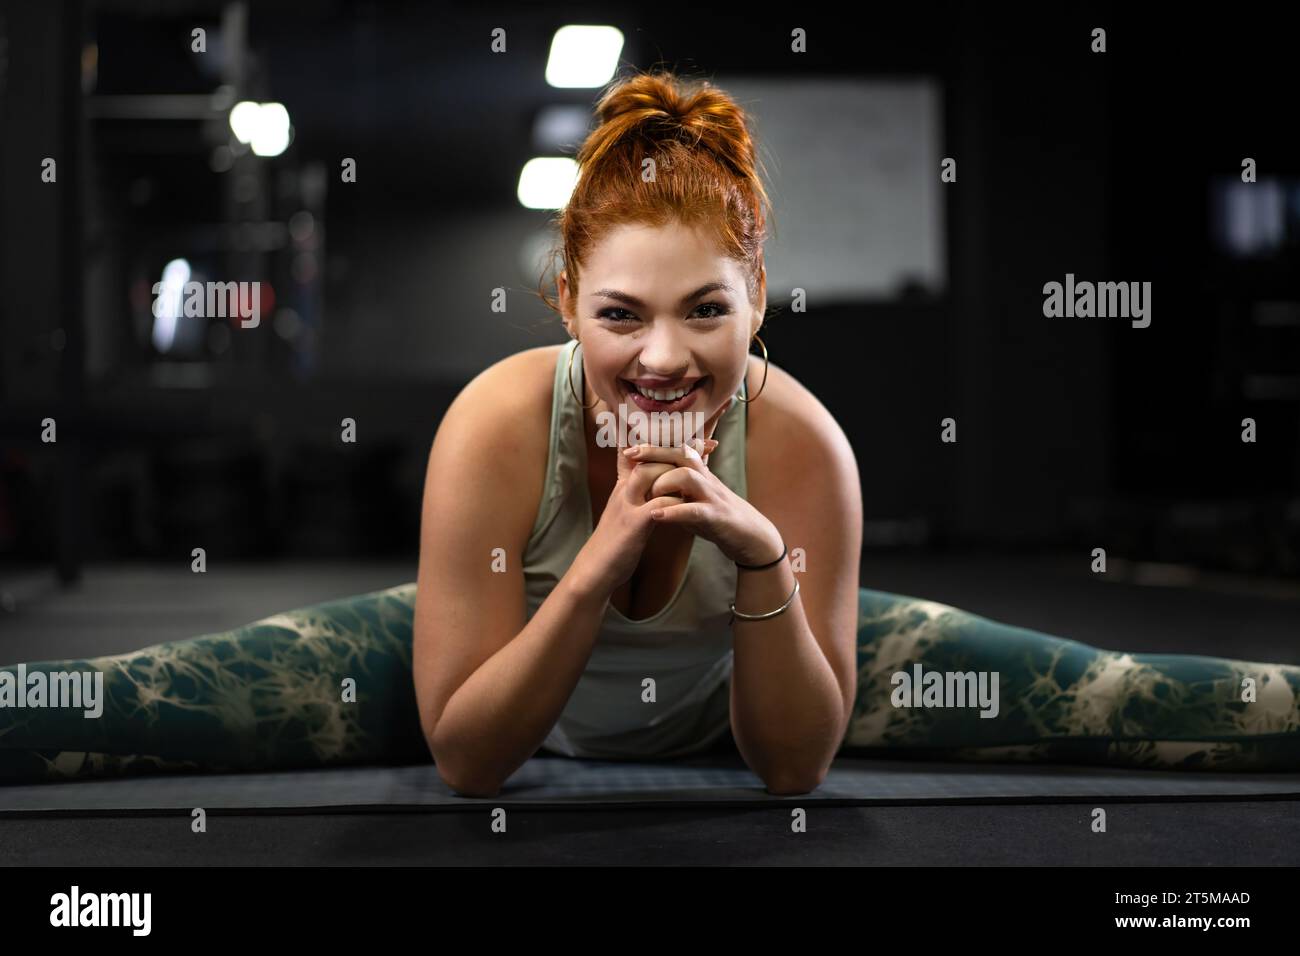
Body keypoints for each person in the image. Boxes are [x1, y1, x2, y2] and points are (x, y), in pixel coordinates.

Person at [3, 70, 1298, 791]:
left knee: (1150, 700)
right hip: (481, 659)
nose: (664, 356)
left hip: (786, 668)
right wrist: (598, 569)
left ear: (757, 308)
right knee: (115, 705)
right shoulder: (501, 425)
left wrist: (761, 569)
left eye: (705, 312)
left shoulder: (801, 449)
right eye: (621, 312)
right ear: (567, 301)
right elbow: (468, 757)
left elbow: (790, 772)